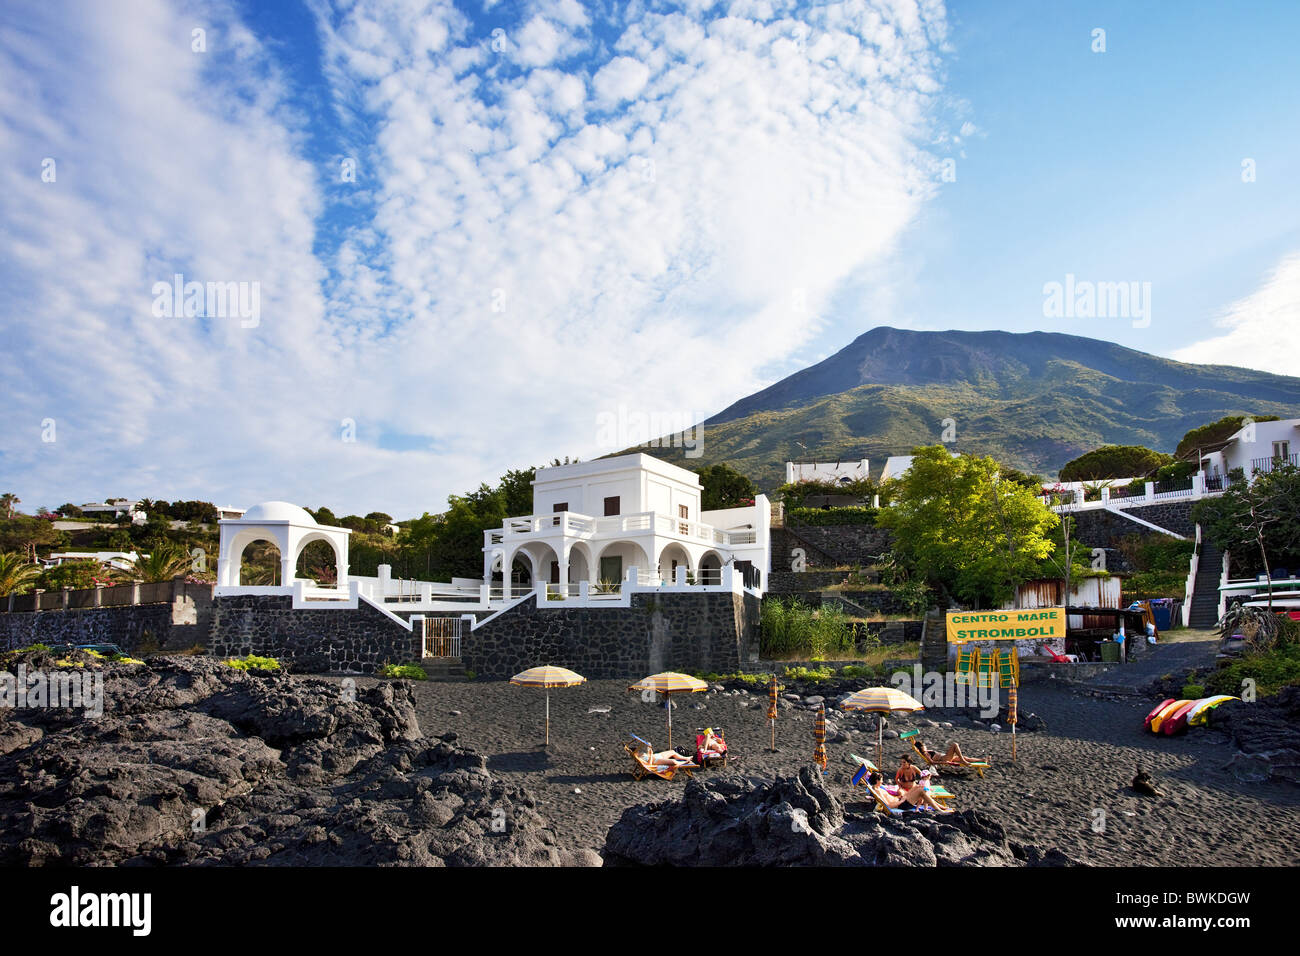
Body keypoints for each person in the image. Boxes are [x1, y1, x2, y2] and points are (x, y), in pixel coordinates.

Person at [865, 772, 953, 814]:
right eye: (881, 780)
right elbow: (888, 805)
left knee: (918, 787)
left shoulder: (877, 788)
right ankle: (939, 810)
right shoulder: (878, 791)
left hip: (900, 800)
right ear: (877, 780)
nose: (882, 781)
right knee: (921, 791)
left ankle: (941, 807)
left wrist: (900, 796)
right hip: (901, 804)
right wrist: (902, 800)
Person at [914, 734, 985, 768]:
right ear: (921, 748)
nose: (925, 746)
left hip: (946, 757)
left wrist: (913, 742)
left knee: (966, 758)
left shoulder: (926, 751)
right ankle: (963, 761)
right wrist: (944, 762)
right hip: (945, 758)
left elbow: (915, 746)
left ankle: (982, 760)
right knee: (954, 744)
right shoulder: (926, 754)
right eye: (923, 746)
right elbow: (932, 762)